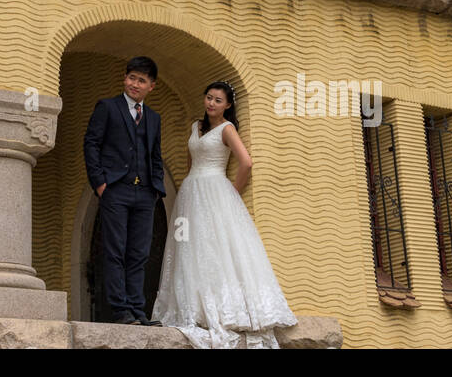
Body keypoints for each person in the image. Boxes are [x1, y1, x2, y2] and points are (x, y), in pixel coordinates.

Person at [151, 80, 297, 348]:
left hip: (216, 190)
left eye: (218, 100)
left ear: (227, 105)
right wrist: (187, 187)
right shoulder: (196, 126)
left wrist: (233, 192)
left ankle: (224, 309)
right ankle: (192, 307)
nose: (211, 103)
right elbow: (190, 161)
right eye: (209, 97)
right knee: (188, 246)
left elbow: (246, 162)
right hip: (191, 192)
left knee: (216, 247)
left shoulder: (227, 129)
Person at [83, 56, 165, 325]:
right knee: (115, 250)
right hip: (115, 190)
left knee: (139, 254)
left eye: (141, 80)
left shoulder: (153, 118)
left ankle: (138, 312)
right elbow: (91, 143)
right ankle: (120, 311)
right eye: (131, 77)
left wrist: (156, 187)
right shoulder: (108, 107)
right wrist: (100, 184)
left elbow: (155, 155)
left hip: (145, 194)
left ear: (151, 86)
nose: (134, 83)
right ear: (125, 78)